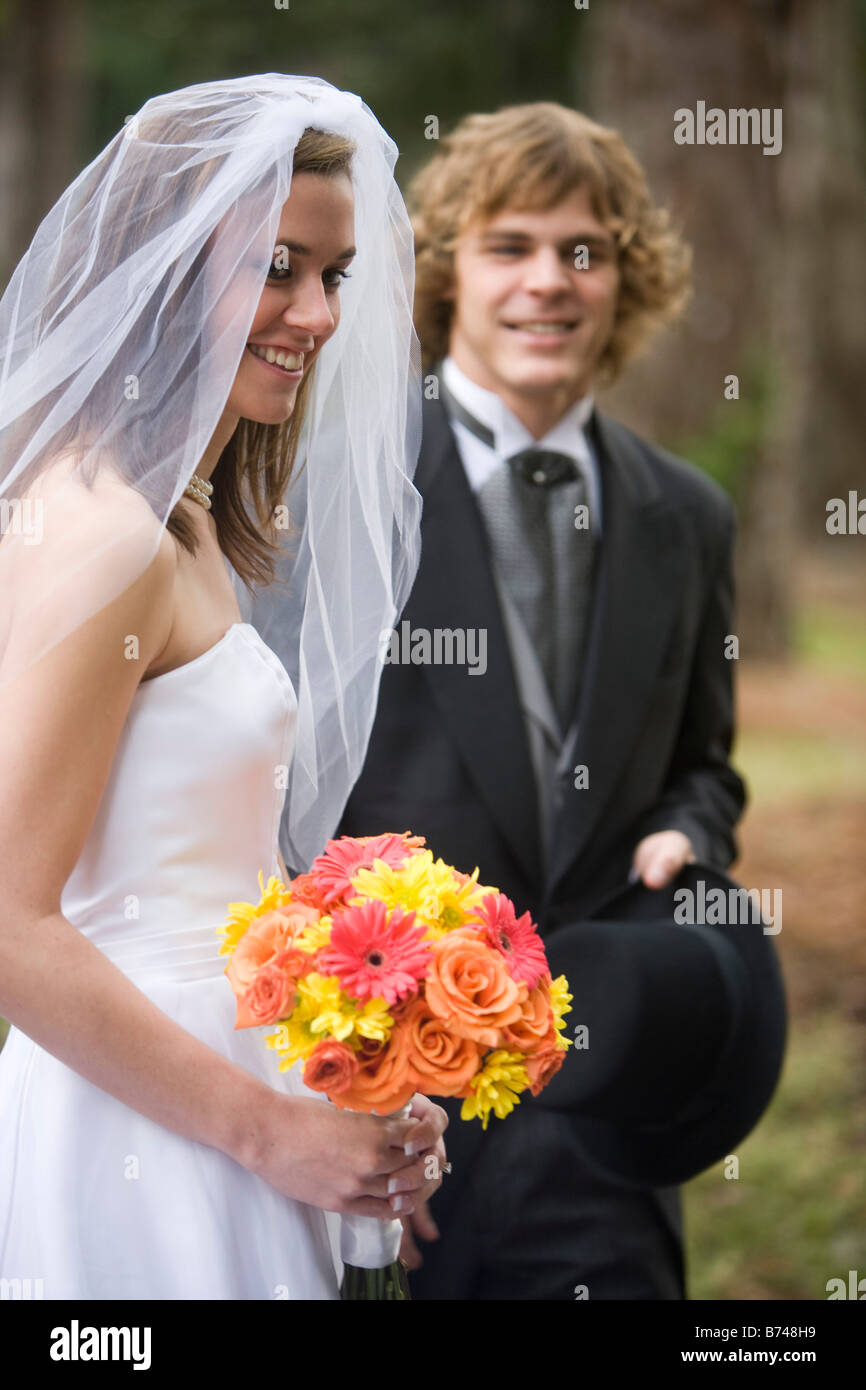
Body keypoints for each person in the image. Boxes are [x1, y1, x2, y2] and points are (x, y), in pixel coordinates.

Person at [0, 75, 446, 1300]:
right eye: (277, 267)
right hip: (143, 1125)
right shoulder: (107, 537)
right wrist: (270, 1133)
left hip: (235, 1088)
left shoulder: (183, 521)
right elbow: (9, 920)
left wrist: (359, 1073)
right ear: (160, 268)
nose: (314, 312)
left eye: (336, 274)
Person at [337, 102, 786, 1299]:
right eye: (510, 246)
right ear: (445, 271)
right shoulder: (341, 490)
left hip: (604, 1117)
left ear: (623, 276)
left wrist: (692, 829)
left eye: (583, 251)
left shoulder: (686, 514)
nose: (550, 282)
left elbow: (704, 762)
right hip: (385, 1107)